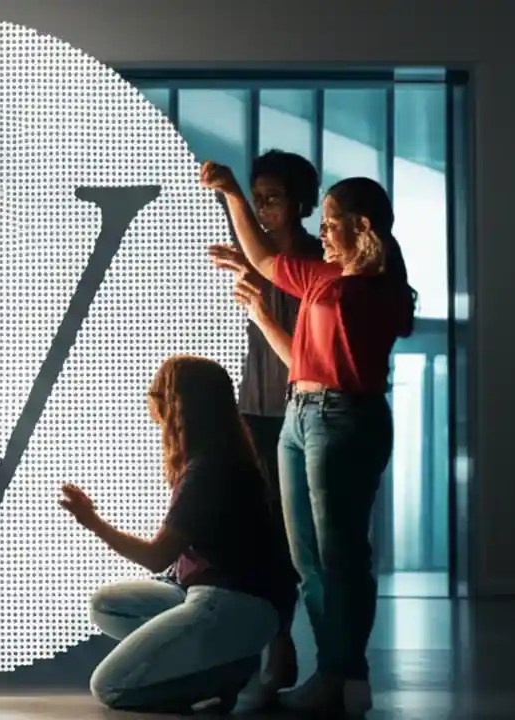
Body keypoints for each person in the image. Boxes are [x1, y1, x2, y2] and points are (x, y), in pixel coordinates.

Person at [205, 164, 417, 714]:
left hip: (338, 420)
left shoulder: (343, 286)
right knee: (312, 561)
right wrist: (259, 312)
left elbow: (262, 259)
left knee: (338, 557)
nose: (321, 231)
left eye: (330, 221)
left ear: (360, 226)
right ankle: (336, 674)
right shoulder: (344, 284)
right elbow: (301, 363)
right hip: (303, 411)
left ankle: (342, 673)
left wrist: (232, 194)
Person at [60, 355, 298, 714]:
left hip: (225, 601)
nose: (150, 401)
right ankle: (220, 656)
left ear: (179, 405)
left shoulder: (208, 470)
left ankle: (225, 671)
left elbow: (157, 556)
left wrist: (93, 522)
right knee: (105, 604)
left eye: (157, 393)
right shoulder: (220, 457)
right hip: (202, 593)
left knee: (110, 687)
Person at [224, 149, 323, 697]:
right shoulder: (248, 255)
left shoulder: (315, 263)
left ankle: (283, 641)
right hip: (250, 411)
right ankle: (267, 642)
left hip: (297, 411)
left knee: (291, 539)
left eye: (273, 199)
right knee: (254, 534)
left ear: (301, 203)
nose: (263, 209)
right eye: (258, 198)